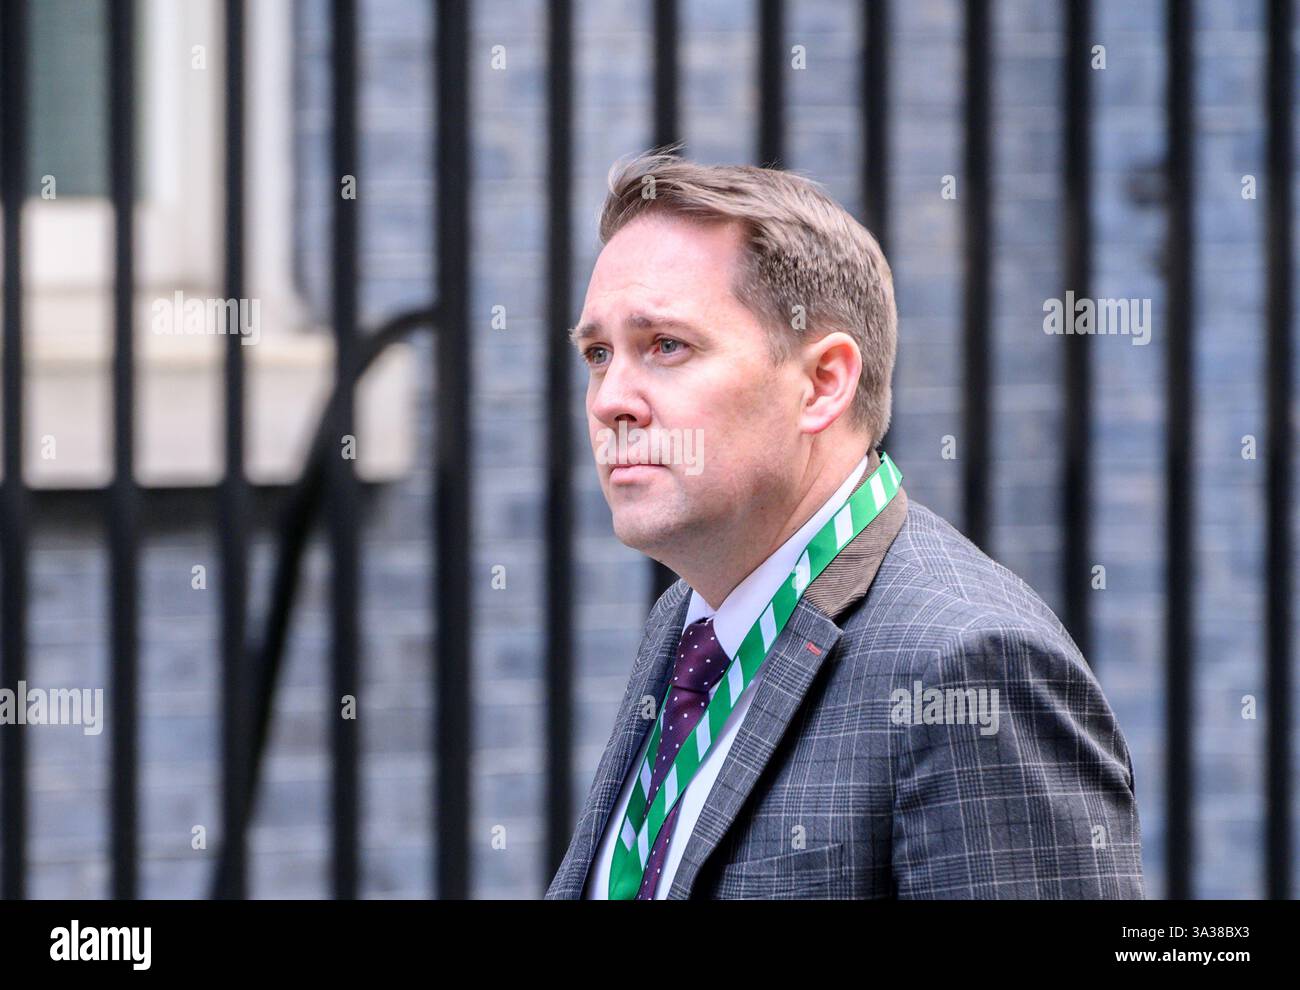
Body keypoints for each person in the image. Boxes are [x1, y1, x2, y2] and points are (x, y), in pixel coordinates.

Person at [546, 147, 1144, 900]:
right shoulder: (692, 622)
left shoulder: (966, 660)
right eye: (598, 354)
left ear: (823, 383)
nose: (609, 400)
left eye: (666, 345)